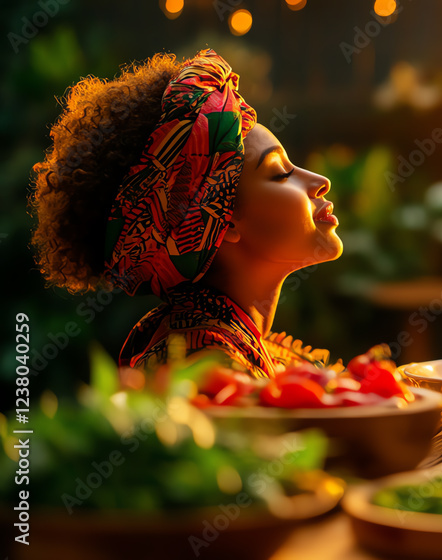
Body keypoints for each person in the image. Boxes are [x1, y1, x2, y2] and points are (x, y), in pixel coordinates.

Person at [30, 49, 341, 378]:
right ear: (220, 220)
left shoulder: (233, 346)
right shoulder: (208, 369)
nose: (320, 181)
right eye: (280, 172)